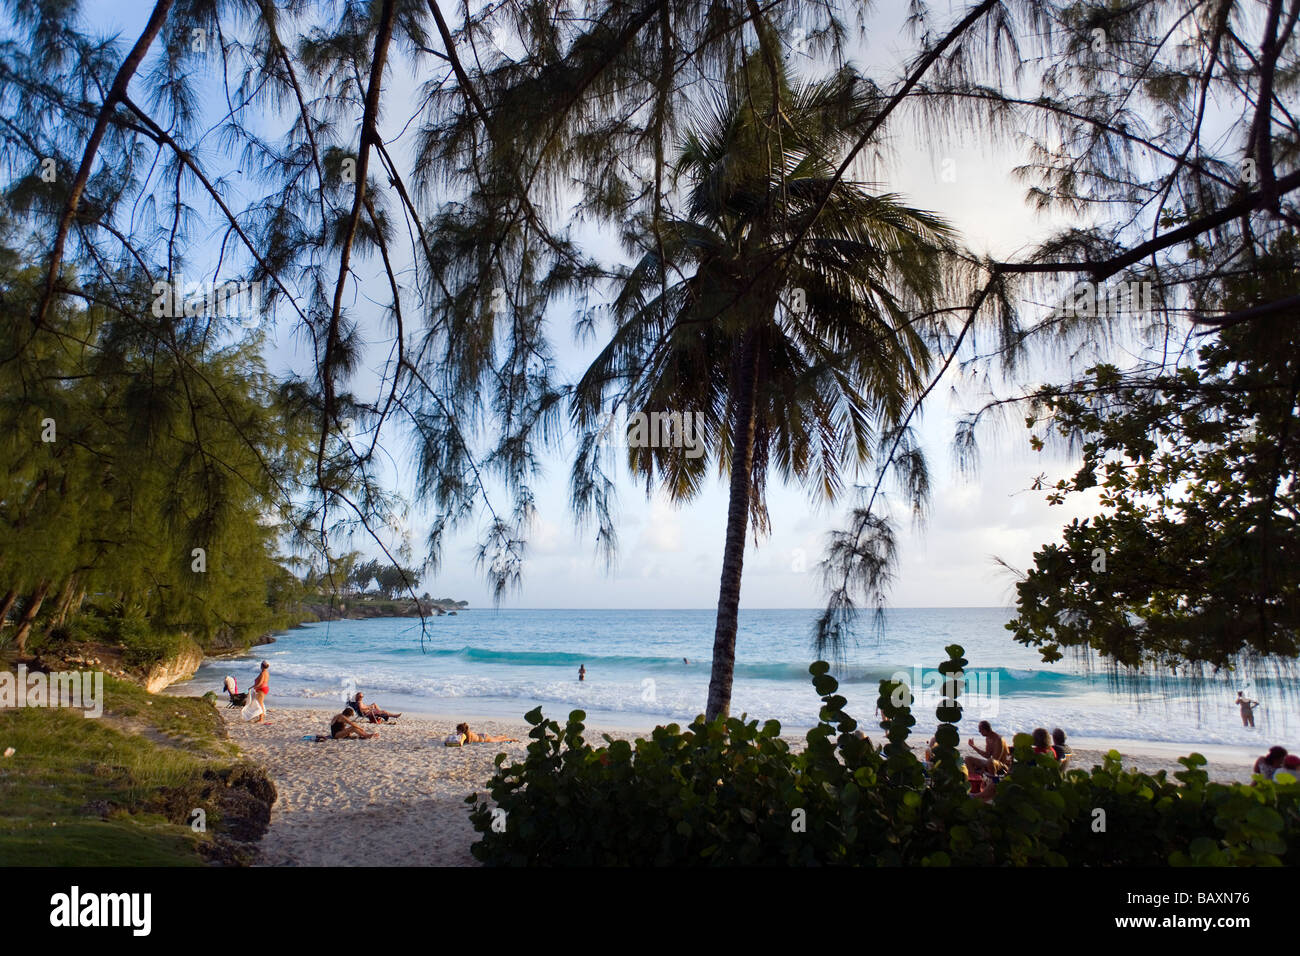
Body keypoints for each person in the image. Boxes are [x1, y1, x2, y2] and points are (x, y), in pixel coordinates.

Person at [455, 722, 519, 744]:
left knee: (499, 741)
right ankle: (503, 736)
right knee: (495, 738)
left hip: (485, 739)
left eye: (458, 731)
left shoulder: (467, 734)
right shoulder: (466, 732)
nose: (457, 732)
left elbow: (467, 742)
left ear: (462, 730)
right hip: (482, 736)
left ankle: (512, 739)